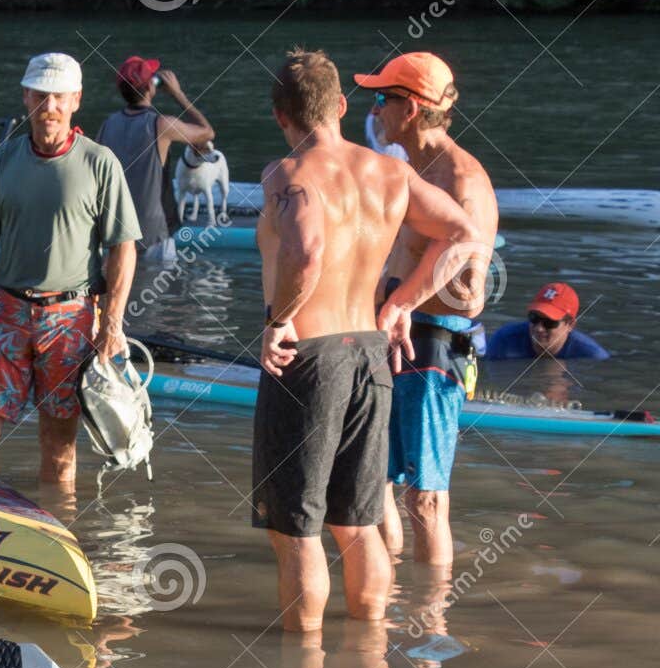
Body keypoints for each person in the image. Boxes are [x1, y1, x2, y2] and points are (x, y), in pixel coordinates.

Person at [253, 48, 478, 633]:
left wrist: (281, 318)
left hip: (308, 358)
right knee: (356, 523)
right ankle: (368, 664)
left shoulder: (288, 175)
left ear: (281, 114)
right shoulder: (391, 172)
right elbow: (461, 233)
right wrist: (400, 303)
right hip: (370, 356)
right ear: (342, 107)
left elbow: (306, 250)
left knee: (295, 529)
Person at [0, 52, 140, 488]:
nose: (49, 107)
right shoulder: (2, 161)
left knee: (59, 448)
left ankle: (56, 537)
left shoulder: (100, 164)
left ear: (76, 100)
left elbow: (123, 247)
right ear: (26, 97)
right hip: (7, 313)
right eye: (40, 96)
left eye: (59, 97)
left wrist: (113, 323)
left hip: (71, 319)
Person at [354, 52, 499, 571]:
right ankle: (385, 615)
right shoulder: (408, 170)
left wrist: (402, 302)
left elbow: (472, 294)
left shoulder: (463, 181)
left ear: (410, 109)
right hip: (392, 341)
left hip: (435, 347)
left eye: (381, 100)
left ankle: (430, 631)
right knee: (376, 488)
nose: (376, 112)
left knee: (426, 500)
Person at [95, 57, 213, 264]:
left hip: (115, 231)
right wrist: (178, 94)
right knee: (159, 294)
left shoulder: (107, 125)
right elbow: (207, 132)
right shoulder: (162, 125)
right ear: (151, 86)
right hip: (154, 232)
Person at [486, 282, 609, 360]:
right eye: (534, 318)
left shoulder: (592, 356)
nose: (539, 328)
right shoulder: (503, 341)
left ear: (570, 325)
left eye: (549, 322)